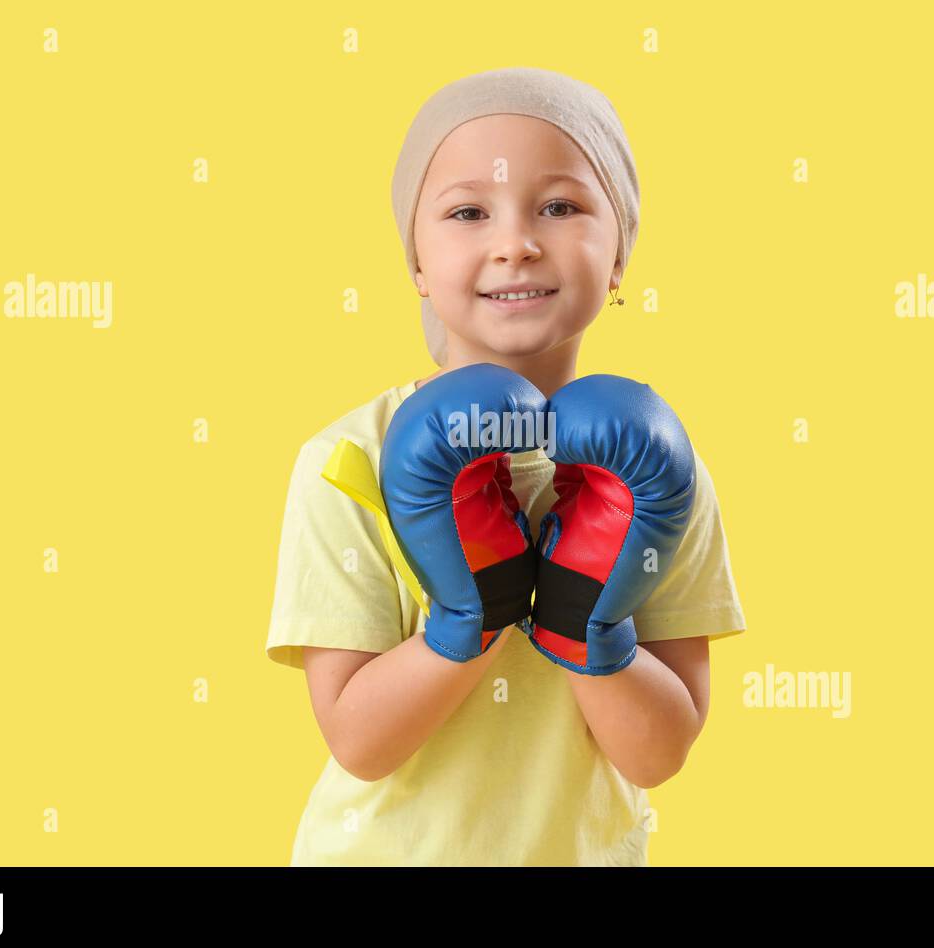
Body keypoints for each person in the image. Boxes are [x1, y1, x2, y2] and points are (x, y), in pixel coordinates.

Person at [266, 66, 747, 865]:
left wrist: (583, 621)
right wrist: (470, 616)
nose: (516, 242)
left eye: (559, 207)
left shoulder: (660, 467)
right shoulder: (349, 461)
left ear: (620, 251)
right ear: (416, 264)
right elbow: (358, 740)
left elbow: (658, 754)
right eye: (467, 211)